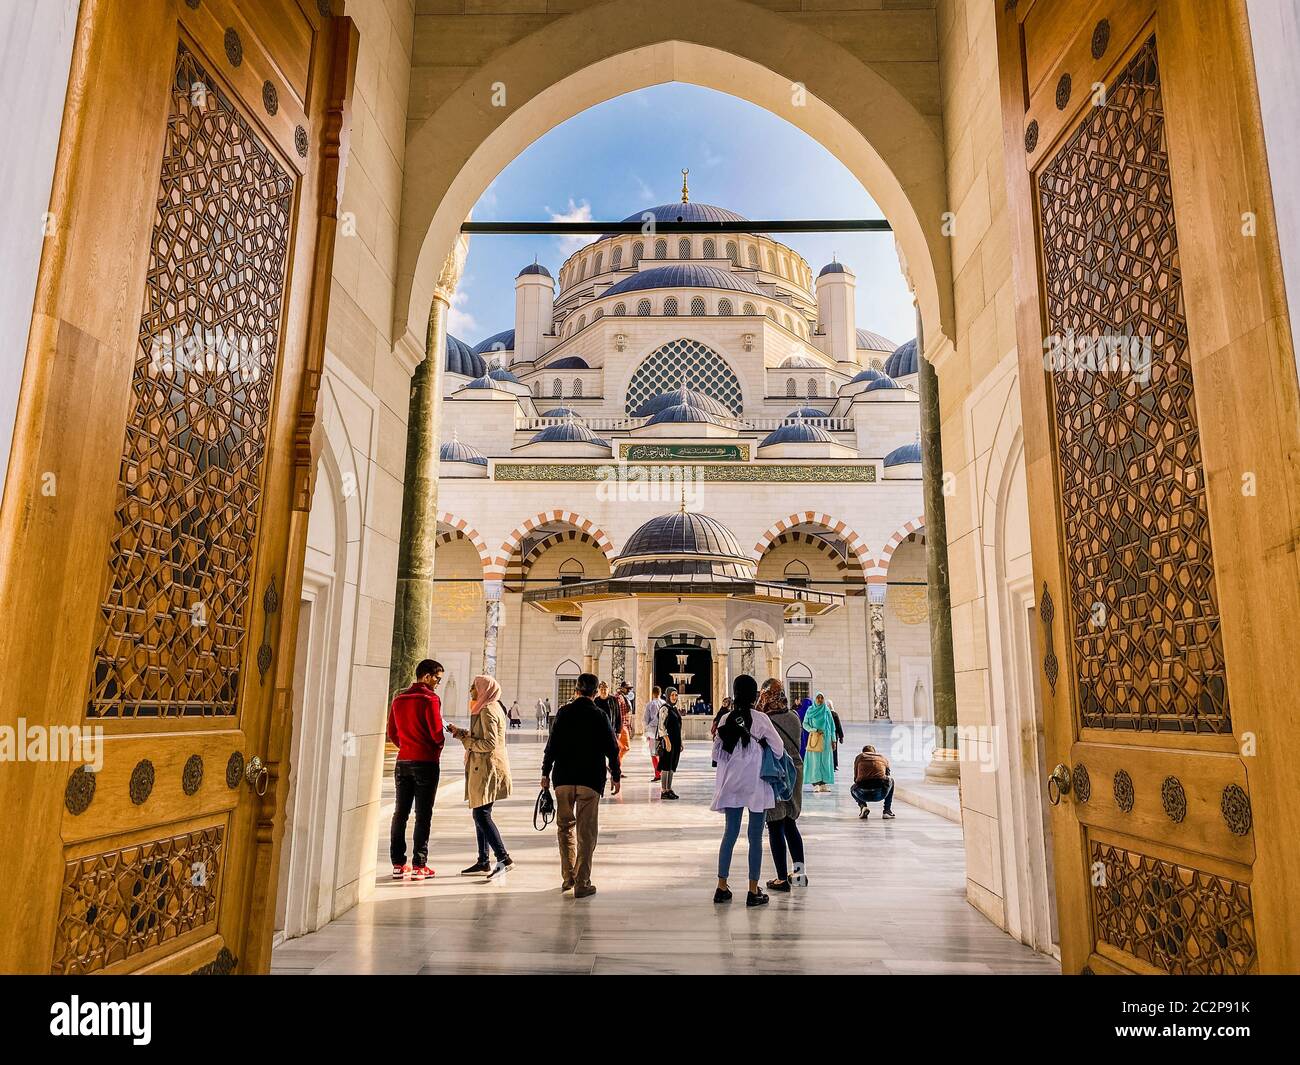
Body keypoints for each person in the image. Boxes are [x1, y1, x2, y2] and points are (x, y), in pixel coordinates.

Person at [540, 672, 622, 898]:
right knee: (586, 833)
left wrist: (545, 773)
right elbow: (612, 749)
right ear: (595, 693)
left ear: (576, 690)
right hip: (590, 781)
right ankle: (582, 882)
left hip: (563, 780)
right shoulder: (599, 715)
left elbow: (551, 746)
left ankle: (568, 877)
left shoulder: (563, 713)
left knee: (565, 828)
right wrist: (616, 775)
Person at [711, 675, 784, 907]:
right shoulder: (761, 719)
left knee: (729, 835)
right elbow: (780, 750)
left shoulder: (724, 720)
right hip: (756, 786)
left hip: (733, 784)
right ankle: (753, 891)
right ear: (754, 696)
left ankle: (721, 887)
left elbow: (716, 755)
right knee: (755, 838)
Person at [446, 675, 513, 878]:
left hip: (486, 768)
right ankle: (483, 861)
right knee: (480, 812)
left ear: (484, 689)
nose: (471, 691)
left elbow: (489, 743)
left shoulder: (487, 710)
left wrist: (467, 742)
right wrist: (461, 733)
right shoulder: (490, 707)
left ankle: (504, 858)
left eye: (474, 687)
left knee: (481, 814)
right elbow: (482, 736)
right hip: (485, 768)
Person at [386, 659, 445, 880]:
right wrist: (436, 747)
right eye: (437, 679)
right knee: (423, 814)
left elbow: (392, 732)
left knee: (400, 813)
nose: (438, 683)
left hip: (403, 762)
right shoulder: (430, 699)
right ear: (427, 676)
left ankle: (398, 864)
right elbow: (436, 732)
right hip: (426, 763)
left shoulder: (399, 699)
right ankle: (420, 864)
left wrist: (407, 747)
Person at [756, 678, 807, 891]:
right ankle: (799, 875)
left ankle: (780, 878)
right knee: (790, 824)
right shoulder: (794, 716)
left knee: (775, 824)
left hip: (776, 772)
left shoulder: (765, 720)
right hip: (796, 770)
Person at [802, 691, 837, 792]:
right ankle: (816, 783)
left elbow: (832, 726)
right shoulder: (810, 710)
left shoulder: (826, 710)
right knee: (815, 761)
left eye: (822, 698)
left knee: (825, 761)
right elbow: (805, 724)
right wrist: (814, 730)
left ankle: (823, 783)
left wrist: (833, 740)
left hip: (826, 740)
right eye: (818, 698)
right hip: (815, 739)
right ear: (815, 699)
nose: (820, 700)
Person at [851, 744, 896, 819]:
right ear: (874, 752)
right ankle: (887, 811)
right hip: (880, 794)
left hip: (862, 794)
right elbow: (887, 774)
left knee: (852, 788)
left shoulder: (859, 757)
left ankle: (863, 807)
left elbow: (855, 778)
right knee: (891, 780)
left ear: (863, 752)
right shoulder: (882, 758)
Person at [657, 686, 684, 799]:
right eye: (672, 695)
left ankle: (669, 788)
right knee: (666, 765)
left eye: (676, 695)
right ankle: (664, 790)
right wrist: (667, 741)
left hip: (676, 741)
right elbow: (661, 726)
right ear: (667, 696)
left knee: (672, 765)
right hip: (668, 741)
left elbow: (678, 727)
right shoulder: (664, 708)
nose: (674, 697)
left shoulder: (674, 708)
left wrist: (680, 742)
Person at [643, 685, 664, 780]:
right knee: (662, 753)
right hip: (664, 732)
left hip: (653, 731)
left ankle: (657, 774)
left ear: (653, 693)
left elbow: (646, 720)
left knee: (654, 753)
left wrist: (646, 732)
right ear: (660, 693)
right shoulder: (664, 703)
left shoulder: (650, 704)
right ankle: (663, 772)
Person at [614, 682, 633, 763]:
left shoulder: (623, 697)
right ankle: (615, 766)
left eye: (630, 689)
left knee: (621, 747)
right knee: (625, 747)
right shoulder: (618, 697)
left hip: (624, 725)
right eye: (627, 688)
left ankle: (616, 768)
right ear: (622, 688)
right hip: (621, 725)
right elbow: (615, 712)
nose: (629, 690)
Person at [830, 703, 844, 769]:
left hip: (827, 734)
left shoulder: (825, 714)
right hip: (834, 735)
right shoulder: (835, 714)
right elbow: (838, 726)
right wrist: (841, 737)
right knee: (834, 750)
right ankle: (834, 765)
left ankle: (829, 764)